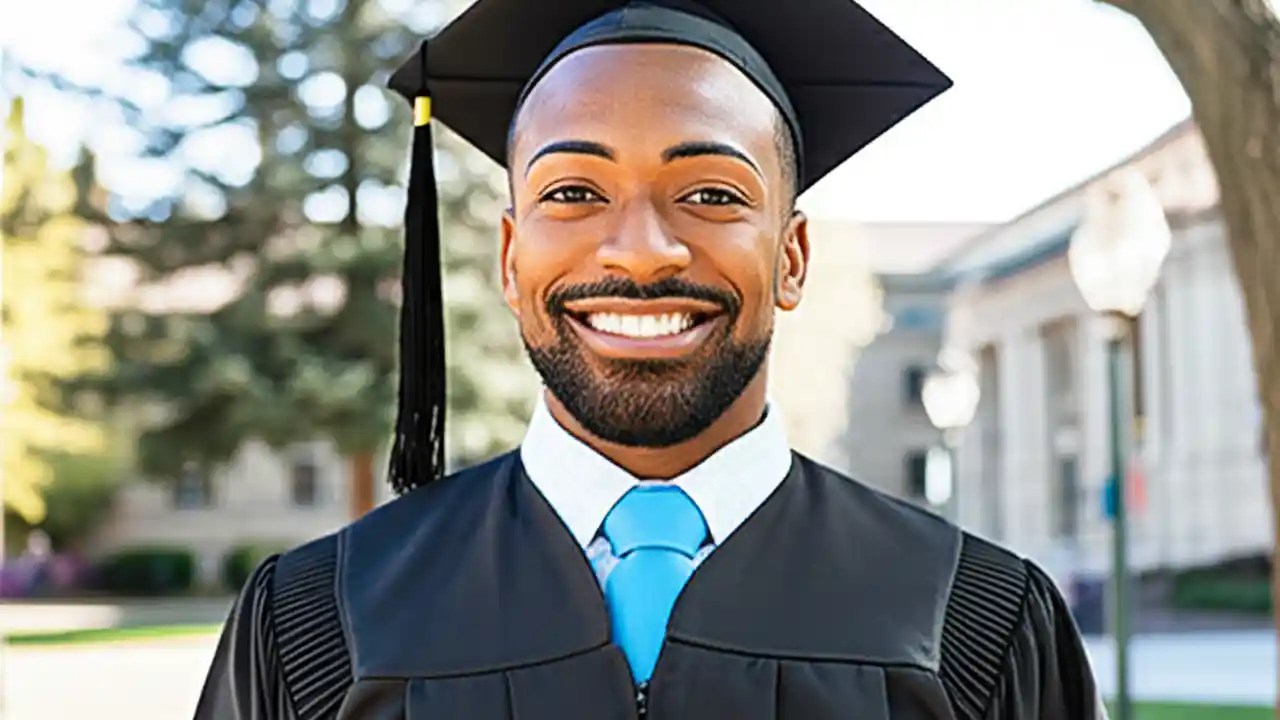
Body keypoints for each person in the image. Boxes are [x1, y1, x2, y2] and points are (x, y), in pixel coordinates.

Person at [195, 1, 1105, 718]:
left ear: (790, 258)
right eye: (575, 191)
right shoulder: (317, 623)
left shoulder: (976, 625)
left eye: (710, 192)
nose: (640, 252)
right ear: (510, 260)